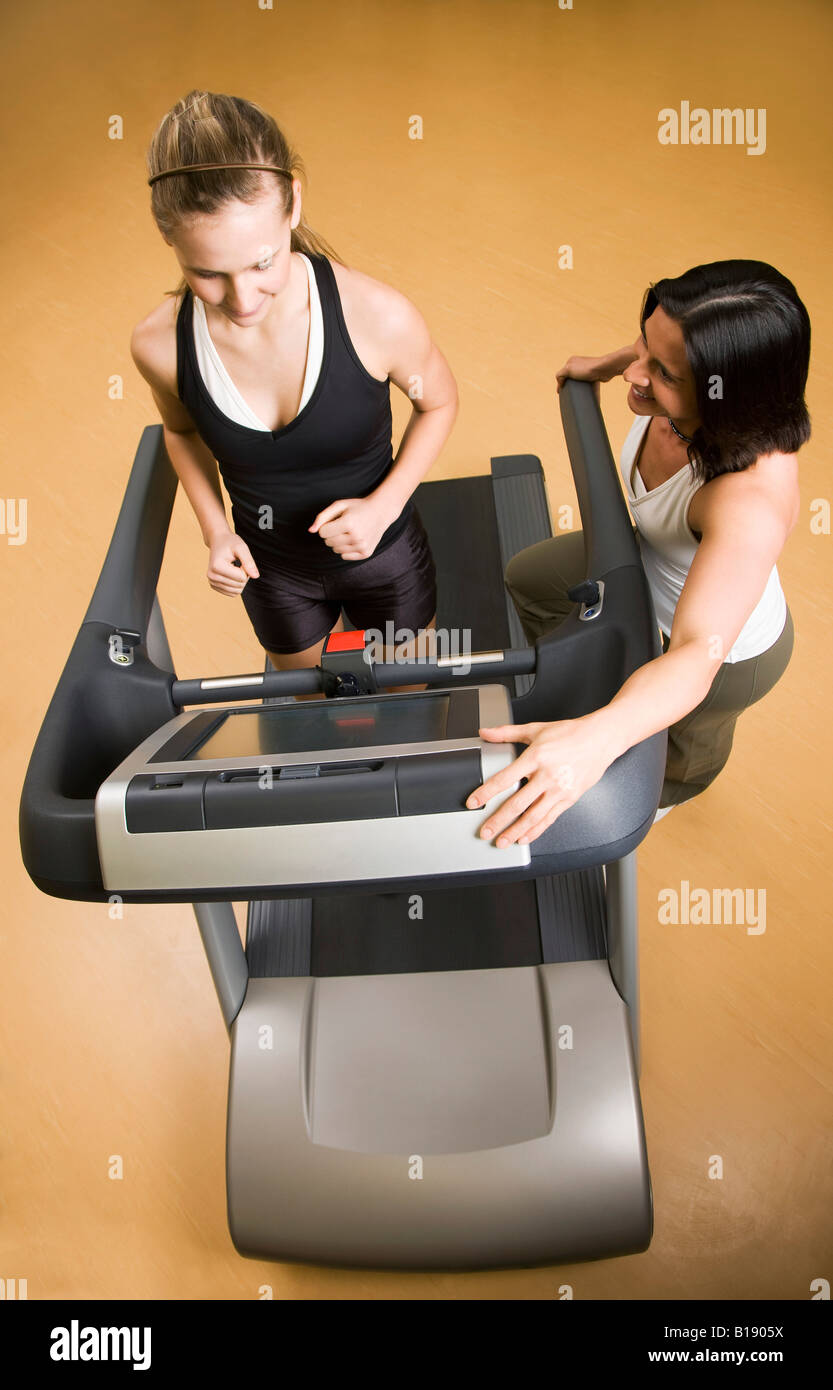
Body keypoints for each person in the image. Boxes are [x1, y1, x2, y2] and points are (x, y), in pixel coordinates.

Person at [466, 259, 809, 845]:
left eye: (665, 372)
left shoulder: (748, 499)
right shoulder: (675, 381)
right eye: (643, 346)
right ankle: (610, 692)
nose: (637, 375)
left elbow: (701, 651)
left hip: (720, 653)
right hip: (647, 562)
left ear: (728, 394)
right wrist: (603, 366)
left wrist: (598, 741)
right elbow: (650, 356)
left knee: (666, 754)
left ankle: (664, 791)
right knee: (529, 576)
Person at [130, 89, 458, 696]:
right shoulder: (159, 345)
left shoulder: (376, 315)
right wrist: (215, 531)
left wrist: (384, 507)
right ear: (170, 242)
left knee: (414, 704)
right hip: (273, 573)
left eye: (262, 263)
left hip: (385, 556)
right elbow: (180, 431)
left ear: (293, 206)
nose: (243, 299)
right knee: (319, 707)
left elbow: (438, 401)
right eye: (207, 274)